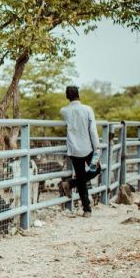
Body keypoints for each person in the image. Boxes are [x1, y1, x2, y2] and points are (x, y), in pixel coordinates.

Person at [59, 86, 101, 218]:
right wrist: (97, 147)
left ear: (67, 96)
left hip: (73, 149)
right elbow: (93, 130)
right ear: (79, 94)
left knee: (81, 178)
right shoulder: (88, 109)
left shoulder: (64, 111)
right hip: (88, 148)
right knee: (97, 170)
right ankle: (85, 206)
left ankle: (86, 208)